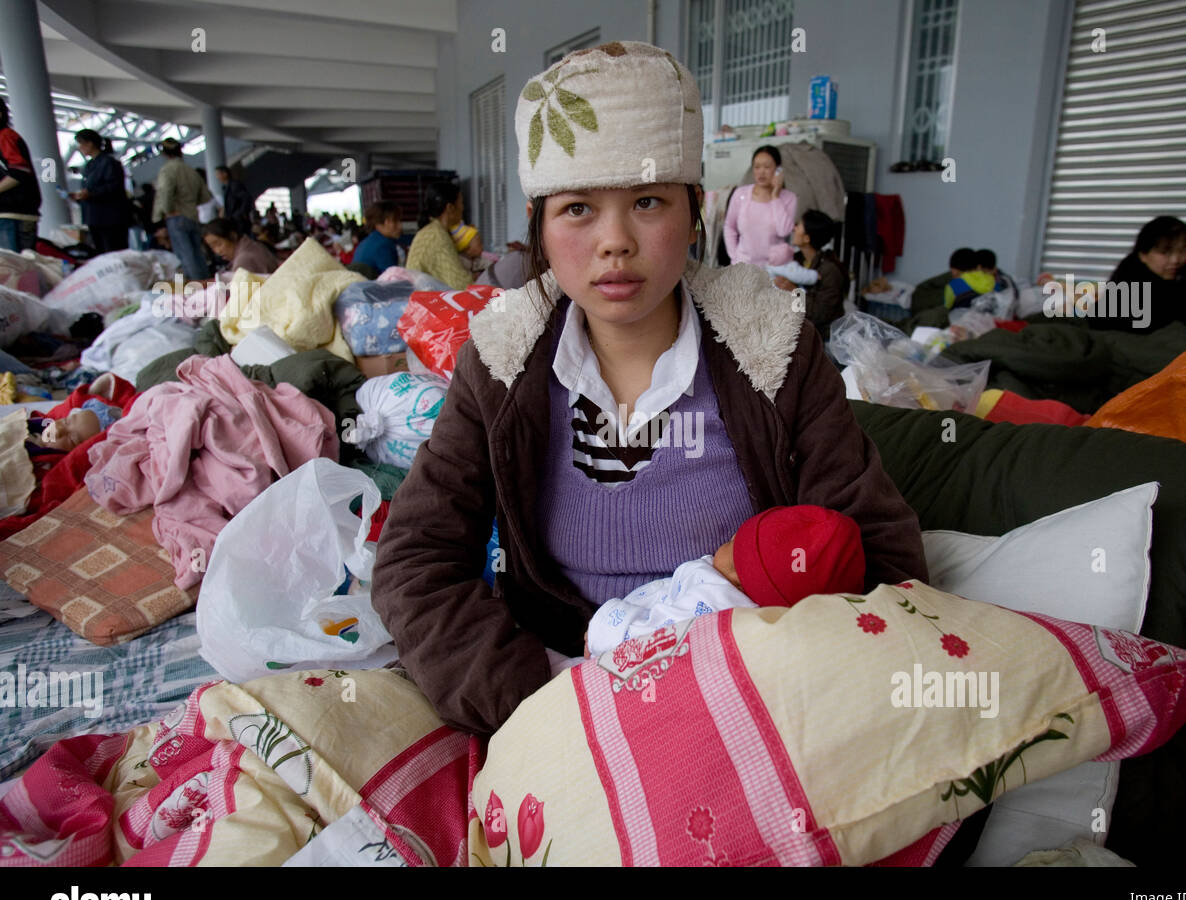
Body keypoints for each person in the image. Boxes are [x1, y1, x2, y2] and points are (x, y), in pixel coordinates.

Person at [370, 41, 927, 735]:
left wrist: (766, 683)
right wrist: (538, 704)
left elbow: (882, 555)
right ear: (539, 229)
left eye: (646, 201)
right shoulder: (502, 362)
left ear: (694, 212)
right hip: (557, 700)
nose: (614, 242)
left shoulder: (773, 350)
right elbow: (415, 561)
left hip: (748, 697)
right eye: (577, 208)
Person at [586, 505, 865, 658]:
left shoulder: (714, 602)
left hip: (605, 657)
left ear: (738, 578)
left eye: (732, 542)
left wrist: (601, 633)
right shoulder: (743, 603)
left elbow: (651, 640)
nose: (724, 541)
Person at [1106, 215, 1186, 333]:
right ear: (1143, 254)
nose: (1175, 260)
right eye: (1165, 253)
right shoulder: (1130, 287)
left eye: (1182, 250)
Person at [770, 209, 848, 340]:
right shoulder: (794, 261)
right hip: (793, 330)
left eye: (798, 226)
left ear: (807, 238)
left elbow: (821, 315)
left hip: (820, 338)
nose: (794, 229)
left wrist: (794, 291)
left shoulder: (830, 271)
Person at [723, 145, 797, 266]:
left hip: (775, 269)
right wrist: (734, 257)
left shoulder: (789, 198)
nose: (761, 172)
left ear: (778, 170)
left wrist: (775, 196)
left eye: (767, 167)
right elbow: (729, 227)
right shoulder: (741, 194)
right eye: (757, 167)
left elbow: (784, 231)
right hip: (744, 267)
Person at [151, 137, 212, 280]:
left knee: (185, 256)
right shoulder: (191, 171)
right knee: (198, 254)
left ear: (164, 154)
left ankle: (197, 290)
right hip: (192, 215)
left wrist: (166, 211)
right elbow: (205, 197)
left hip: (176, 216)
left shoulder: (168, 170)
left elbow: (165, 192)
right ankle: (206, 285)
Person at [70, 130, 132, 255]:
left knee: (114, 252)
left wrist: (91, 193)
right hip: (96, 218)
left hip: (110, 218)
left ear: (90, 143)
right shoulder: (90, 165)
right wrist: (80, 196)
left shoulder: (109, 163)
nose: (80, 148)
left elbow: (114, 187)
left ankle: (179, 275)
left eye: (81, 143)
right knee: (102, 253)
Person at [406, 182, 472, 289]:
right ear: (450, 207)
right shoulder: (437, 236)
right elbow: (461, 284)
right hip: (426, 301)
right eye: (461, 203)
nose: (463, 208)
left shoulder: (431, 231)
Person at [0, 99, 42, 253]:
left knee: (14, 268)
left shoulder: (5, 137)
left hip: (13, 216)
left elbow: (19, 172)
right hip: (14, 215)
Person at [201, 217, 279, 274]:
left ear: (233, 236)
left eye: (219, 244)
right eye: (212, 247)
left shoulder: (242, 261)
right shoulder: (254, 245)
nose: (218, 251)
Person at [351, 201, 404, 274]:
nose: (400, 226)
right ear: (380, 224)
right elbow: (393, 280)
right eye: (395, 221)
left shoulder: (364, 243)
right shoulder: (384, 245)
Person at [216, 165, 254, 235]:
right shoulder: (227, 187)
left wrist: (240, 213)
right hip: (234, 219)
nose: (217, 177)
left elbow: (246, 198)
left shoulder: (234, 185)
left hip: (239, 219)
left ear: (225, 173)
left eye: (218, 174)